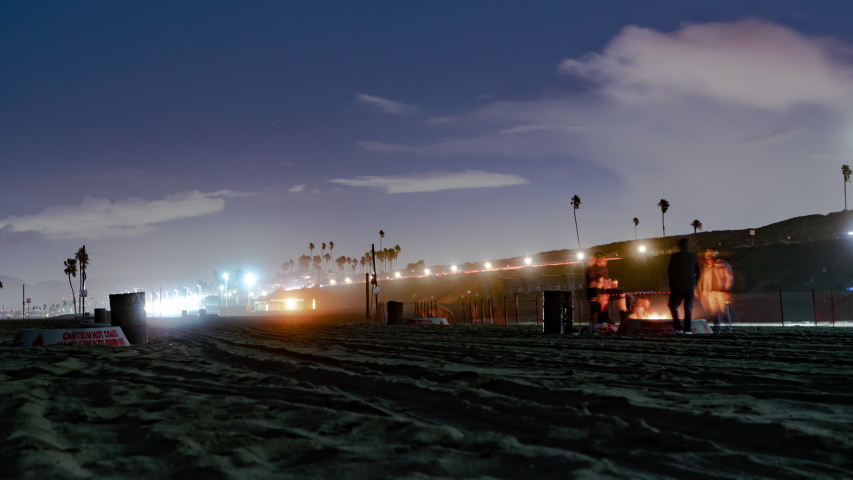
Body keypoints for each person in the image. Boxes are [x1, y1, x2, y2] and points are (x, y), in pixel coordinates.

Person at [668, 238, 700, 334]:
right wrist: (695, 283)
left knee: (672, 305)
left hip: (678, 286)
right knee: (688, 308)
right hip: (689, 287)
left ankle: (678, 327)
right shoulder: (692, 257)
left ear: (679, 246)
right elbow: (698, 271)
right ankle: (687, 329)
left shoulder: (676, 256)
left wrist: (672, 283)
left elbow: (670, 270)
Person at [698, 249, 733, 334]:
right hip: (711, 293)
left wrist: (726, 289)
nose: (707, 260)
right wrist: (705, 293)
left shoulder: (723, 265)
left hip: (722, 292)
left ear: (714, 257)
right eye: (707, 259)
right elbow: (706, 281)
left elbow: (729, 278)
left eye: (709, 258)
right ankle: (717, 328)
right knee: (714, 312)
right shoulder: (707, 268)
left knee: (725, 312)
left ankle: (728, 329)